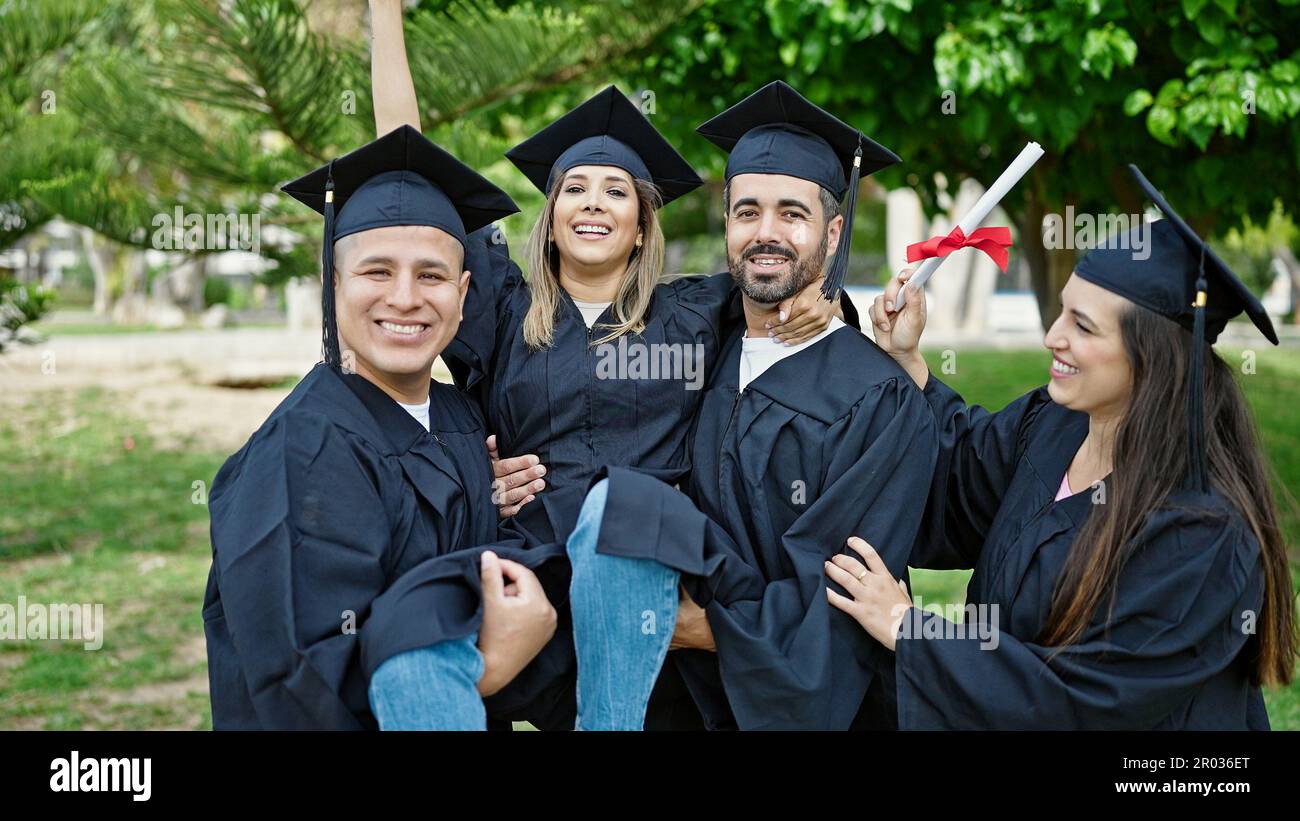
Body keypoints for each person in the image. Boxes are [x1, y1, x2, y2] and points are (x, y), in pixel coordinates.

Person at [828, 163, 1298, 729]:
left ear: (1153, 361)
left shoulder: (1201, 534)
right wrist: (908, 362)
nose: (1054, 337)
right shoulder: (1057, 423)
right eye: (1061, 313)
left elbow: (1080, 704)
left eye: (1084, 326)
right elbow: (960, 473)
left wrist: (913, 630)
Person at [572, 81, 941, 729]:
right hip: (679, 699)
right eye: (747, 211)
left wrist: (689, 627)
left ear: (833, 233)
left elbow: (836, 607)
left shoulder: (877, 400)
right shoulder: (699, 343)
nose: (765, 233)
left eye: (791, 214)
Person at [203, 126, 565, 730]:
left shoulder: (459, 418)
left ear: (462, 289)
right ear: (333, 283)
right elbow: (298, 680)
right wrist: (488, 669)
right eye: (376, 271)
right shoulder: (304, 450)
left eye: (431, 275)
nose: (405, 298)